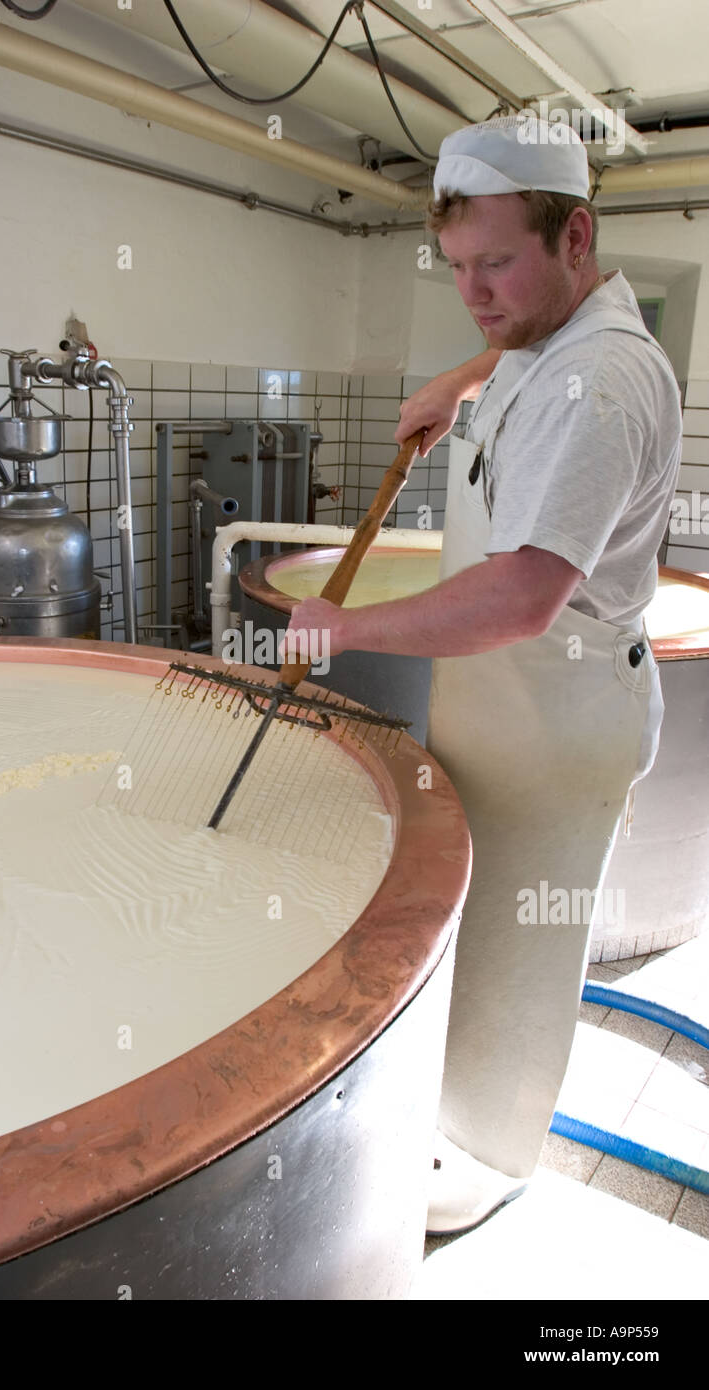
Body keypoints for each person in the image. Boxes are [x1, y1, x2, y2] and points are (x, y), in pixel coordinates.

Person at [285, 116, 683, 1234]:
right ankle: (450, 1123)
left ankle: (490, 1160)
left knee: (522, 953)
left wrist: (342, 628)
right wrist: (456, 381)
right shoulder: (539, 338)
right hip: (505, 711)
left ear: (575, 238)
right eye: (457, 268)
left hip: (557, 720)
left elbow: (517, 598)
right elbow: (513, 349)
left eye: (495, 263)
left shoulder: (594, 385)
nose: (475, 292)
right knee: (479, 932)